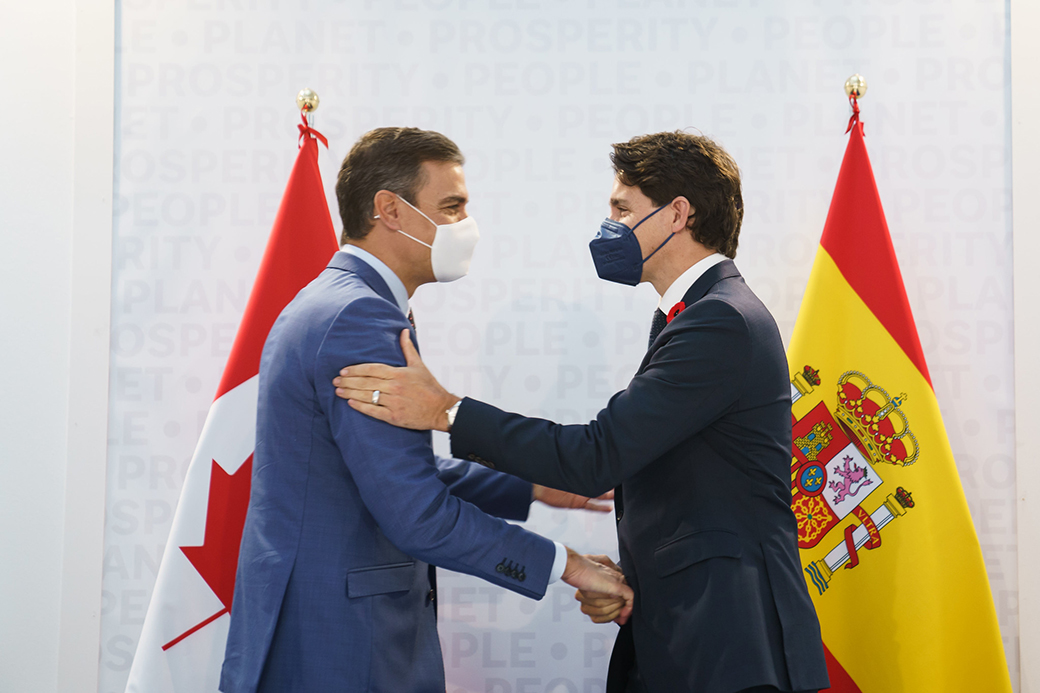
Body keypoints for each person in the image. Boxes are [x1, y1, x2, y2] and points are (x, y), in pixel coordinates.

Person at [332, 131, 831, 693]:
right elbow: (689, 487)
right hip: (699, 634)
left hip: (732, 646)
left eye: (622, 208)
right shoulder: (694, 315)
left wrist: (447, 411)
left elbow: (598, 456)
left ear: (678, 215)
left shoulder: (720, 322)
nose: (609, 225)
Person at [219, 127, 633, 693]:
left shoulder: (340, 302)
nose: (467, 226)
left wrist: (530, 487)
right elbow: (415, 512)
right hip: (339, 643)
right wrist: (567, 565)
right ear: (390, 209)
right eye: (452, 206)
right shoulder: (358, 321)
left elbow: (375, 469)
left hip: (315, 627)